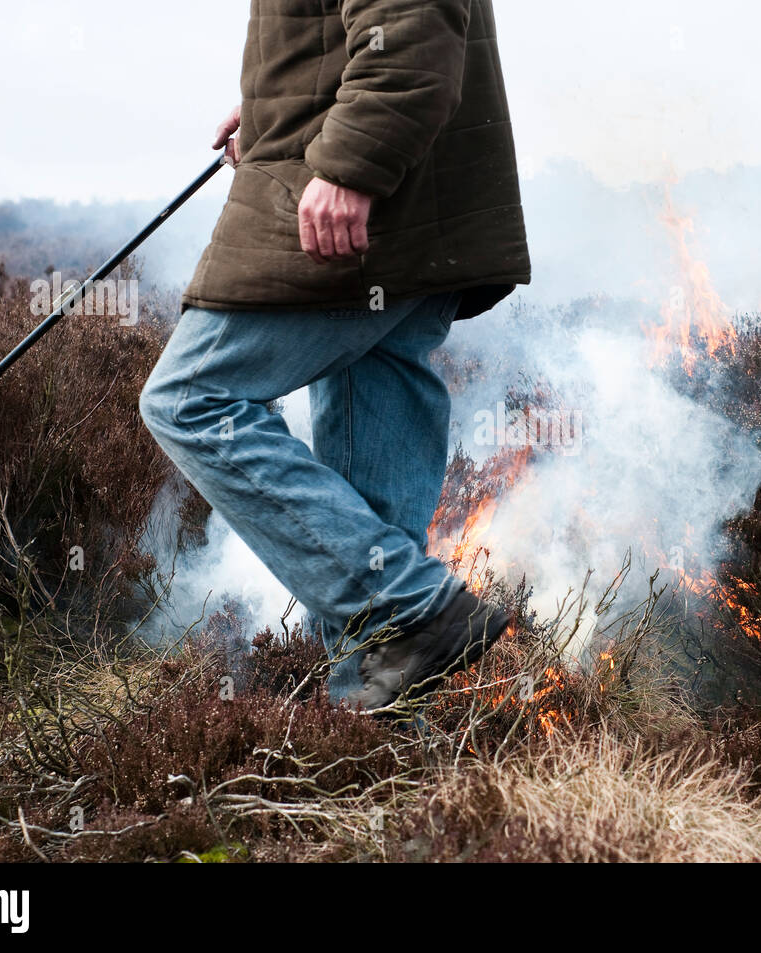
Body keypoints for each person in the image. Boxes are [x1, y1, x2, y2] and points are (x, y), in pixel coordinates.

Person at [138, 0, 531, 711]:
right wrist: (274, 102)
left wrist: (351, 163)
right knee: (373, 477)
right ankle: (376, 738)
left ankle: (408, 606)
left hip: (372, 214)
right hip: (416, 219)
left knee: (190, 399)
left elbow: (411, 27)